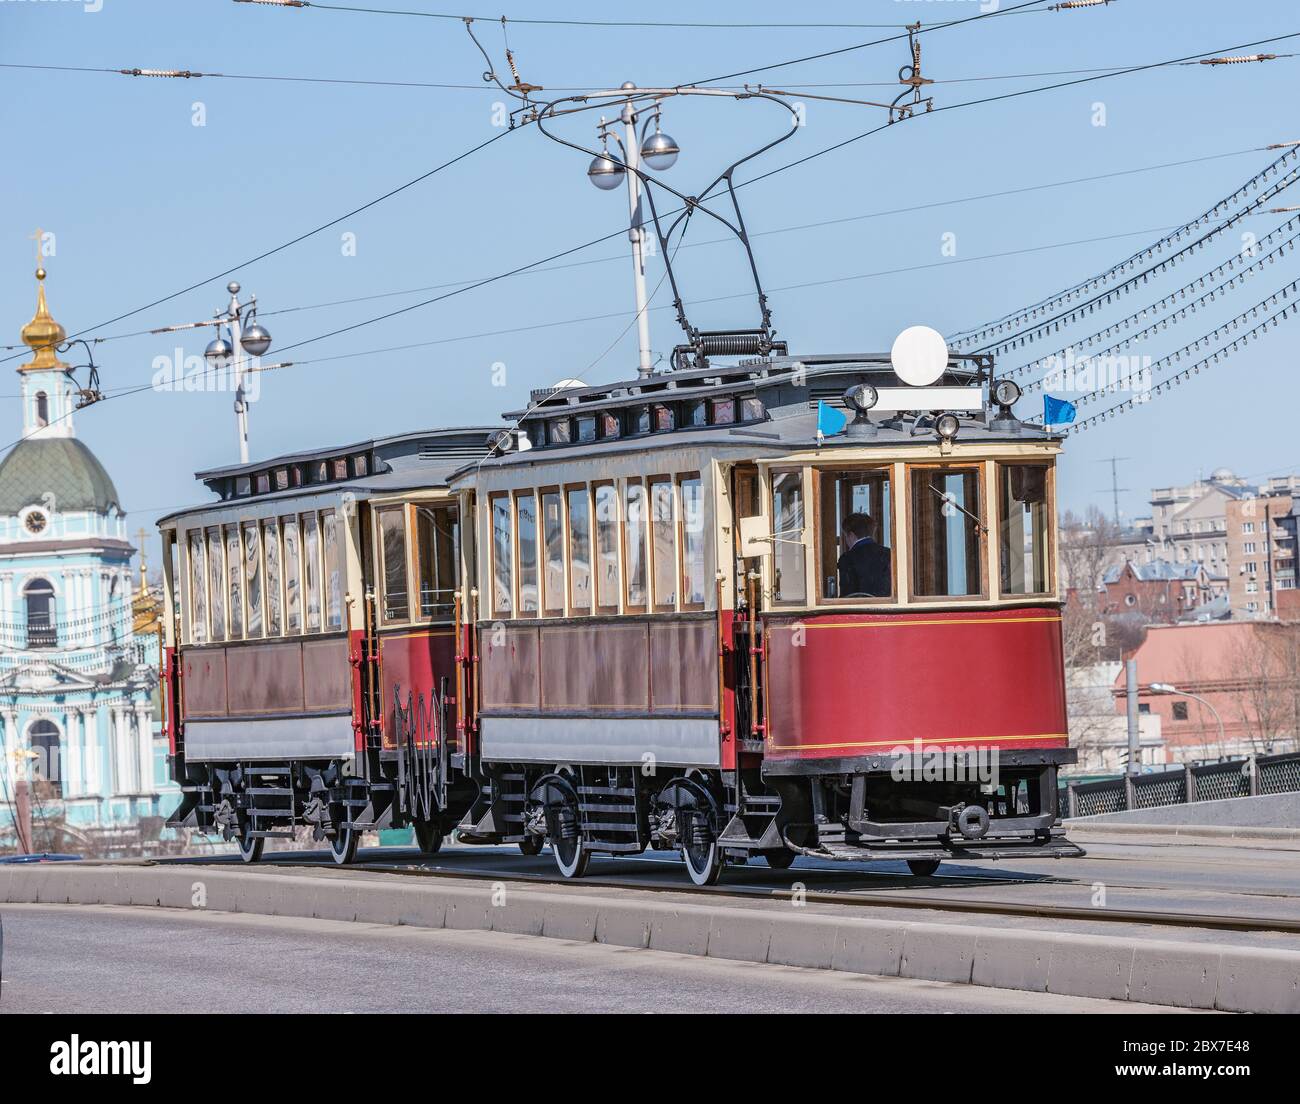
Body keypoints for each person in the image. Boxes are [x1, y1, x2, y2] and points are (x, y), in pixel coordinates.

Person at [837, 512, 891, 597]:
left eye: (845, 536)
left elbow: (846, 596)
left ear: (851, 535)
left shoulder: (847, 559)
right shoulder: (888, 554)